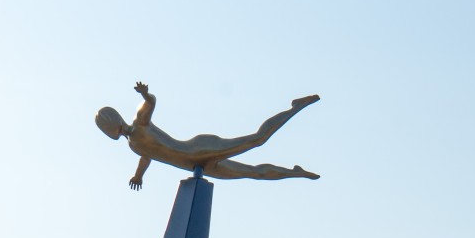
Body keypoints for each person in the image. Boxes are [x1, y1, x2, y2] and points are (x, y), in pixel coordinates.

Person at [94, 83, 320, 190]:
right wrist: (138, 176)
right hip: (197, 166)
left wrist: (145, 94)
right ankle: (294, 172)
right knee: (254, 173)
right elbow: (147, 156)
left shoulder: (139, 126)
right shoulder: (134, 145)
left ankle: (296, 107)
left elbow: (151, 103)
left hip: (199, 150)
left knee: (258, 139)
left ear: (112, 123)